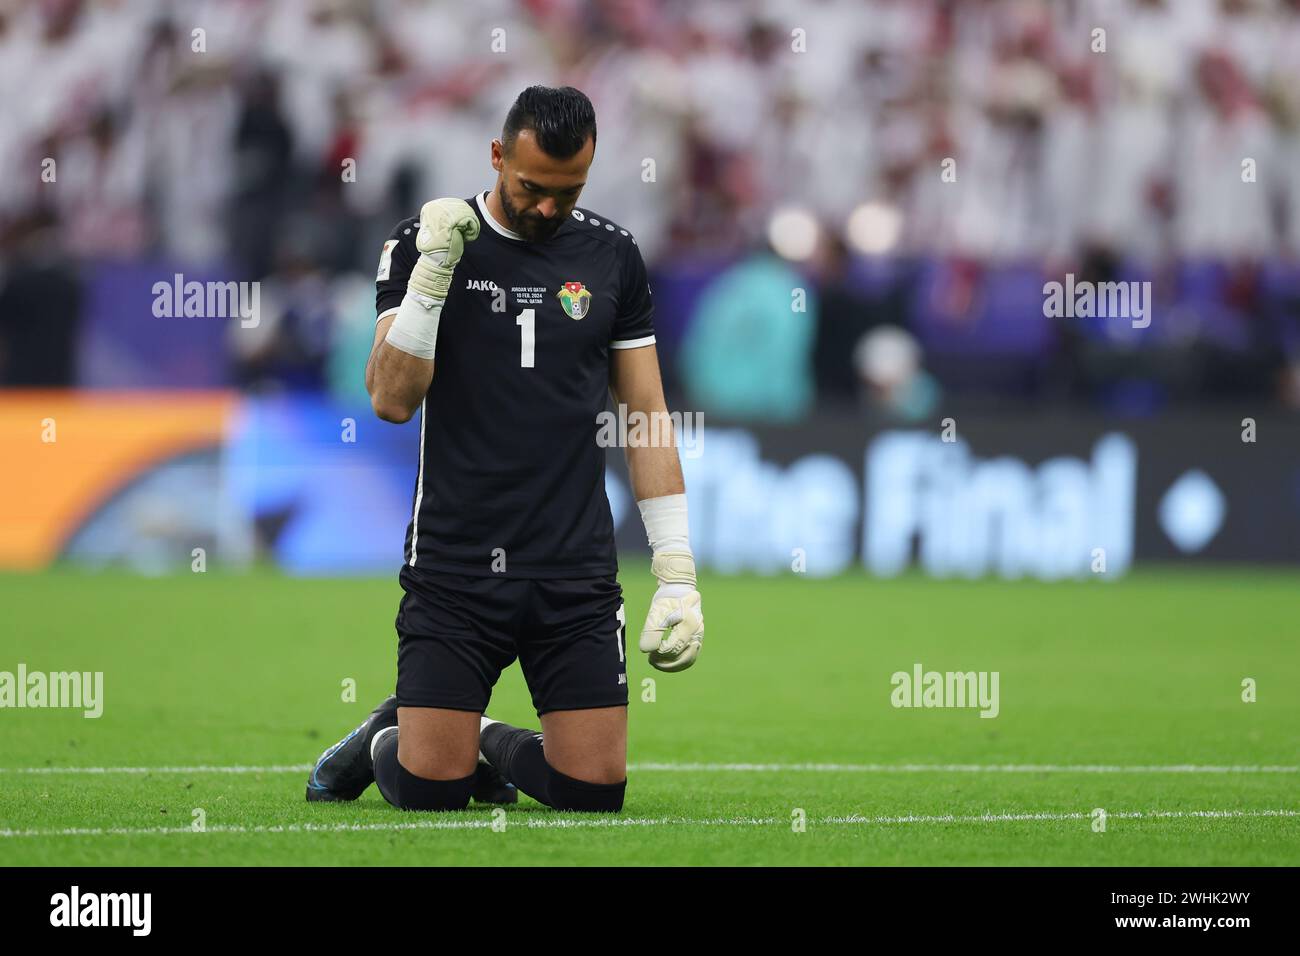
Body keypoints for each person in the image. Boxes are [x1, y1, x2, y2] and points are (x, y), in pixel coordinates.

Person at [305, 86, 704, 813]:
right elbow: (391, 400)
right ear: (496, 155)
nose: (548, 208)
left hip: (573, 568)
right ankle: (385, 735)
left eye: (568, 190)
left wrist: (676, 571)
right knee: (431, 793)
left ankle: (482, 735)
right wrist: (432, 278)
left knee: (592, 794)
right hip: (457, 564)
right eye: (531, 187)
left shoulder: (613, 256)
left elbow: (645, 414)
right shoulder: (425, 241)